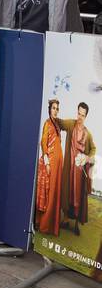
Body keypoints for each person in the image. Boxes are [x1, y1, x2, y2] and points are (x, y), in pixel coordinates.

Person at [59, 103, 95, 237]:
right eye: (79, 113)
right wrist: (53, 116)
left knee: (78, 197)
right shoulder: (71, 124)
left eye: (83, 115)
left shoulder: (88, 134)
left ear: (86, 116)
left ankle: (76, 226)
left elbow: (93, 149)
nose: (80, 117)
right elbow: (61, 123)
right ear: (77, 112)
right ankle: (66, 220)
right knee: (67, 193)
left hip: (80, 172)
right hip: (69, 169)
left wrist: (87, 158)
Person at [35, 99, 63, 236]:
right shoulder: (47, 123)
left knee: (55, 195)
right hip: (50, 163)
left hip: (58, 166)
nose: (56, 110)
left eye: (57, 108)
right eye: (53, 108)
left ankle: (52, 226)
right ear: (49, 109)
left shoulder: (57, 125)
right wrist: (46, 162)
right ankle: (44, 226)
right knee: (48, 195)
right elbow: (43, 143)